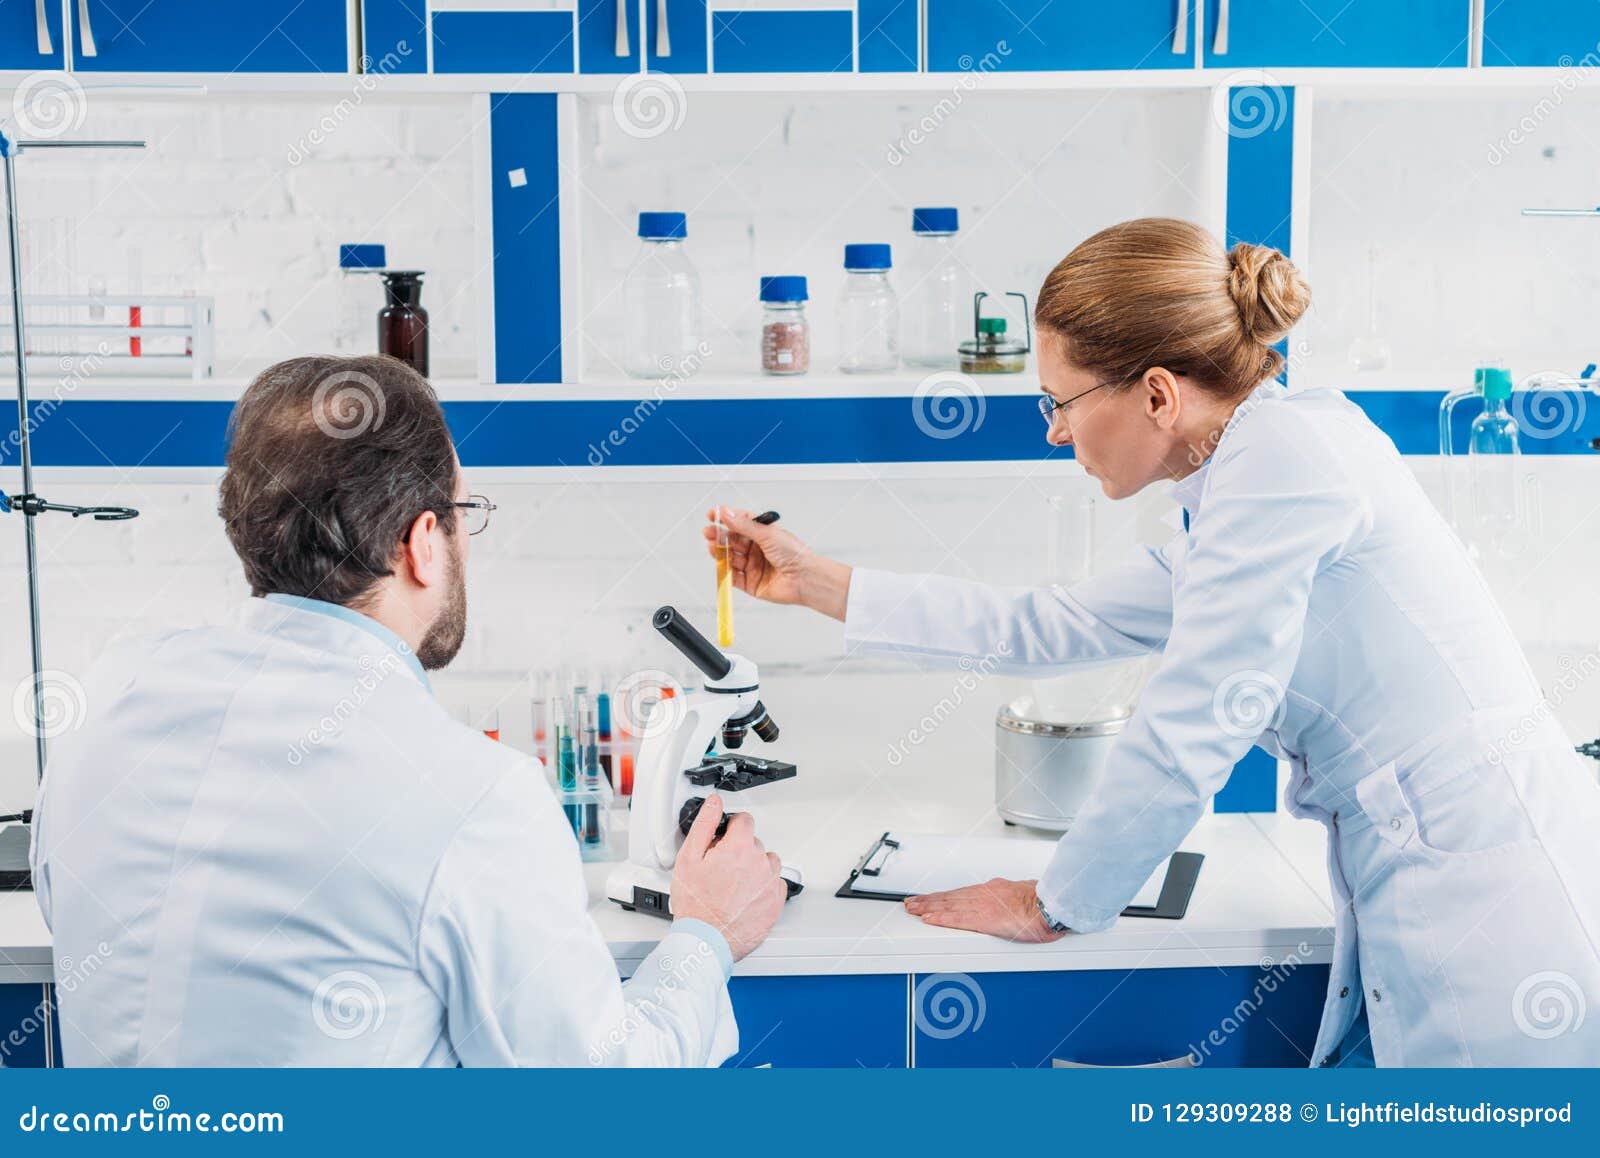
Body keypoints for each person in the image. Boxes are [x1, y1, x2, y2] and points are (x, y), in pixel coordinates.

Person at [704, 218, 1600, 1068]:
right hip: (1429, 885)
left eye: (1059, 401)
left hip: (1495, 919)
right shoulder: (1255, 477)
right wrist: (815, 582)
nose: (1055, 430)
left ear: (1159, 393)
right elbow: (1046, 623)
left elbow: (1196, 719)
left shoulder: (1286, 463)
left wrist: (1058, 902)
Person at [31, 354, 786, 1067]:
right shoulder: (475, 797)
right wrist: (706, 932)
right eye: (463, 512)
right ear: (423, 542)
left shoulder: (111, 693)